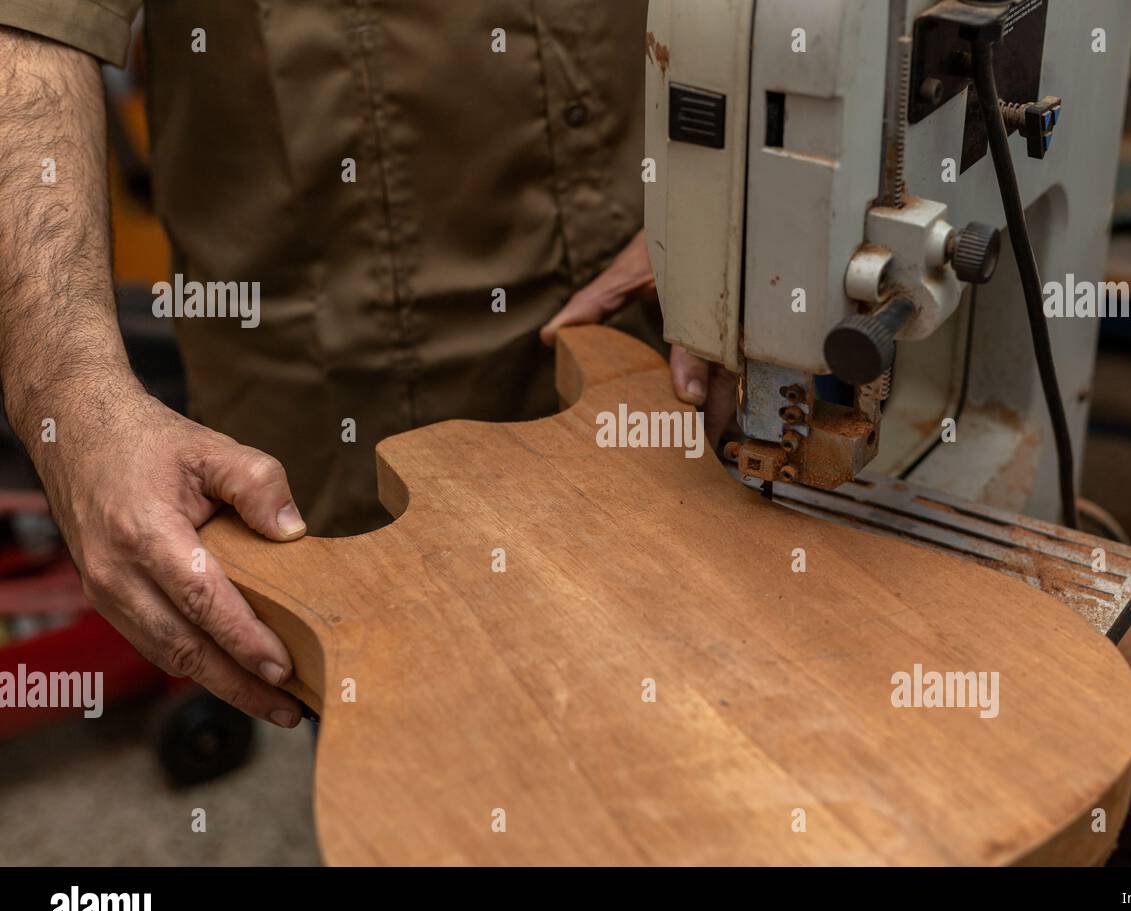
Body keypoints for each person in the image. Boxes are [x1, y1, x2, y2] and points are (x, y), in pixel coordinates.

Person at [0, 3, 733, 730]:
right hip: (337, 418)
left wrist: (733, 216)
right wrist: (75, 402)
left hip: (656, 355)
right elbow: (28, 31)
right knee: (425, 774)